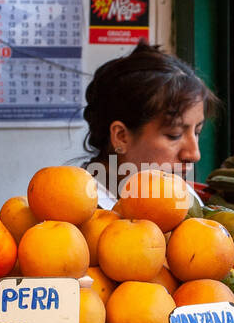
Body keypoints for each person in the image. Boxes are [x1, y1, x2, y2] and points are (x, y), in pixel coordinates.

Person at [82, 42, 217, 206]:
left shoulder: (184, 197)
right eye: (174, 135)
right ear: (121, 136)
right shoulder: (79, 215)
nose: (194, 154)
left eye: (197, 132)